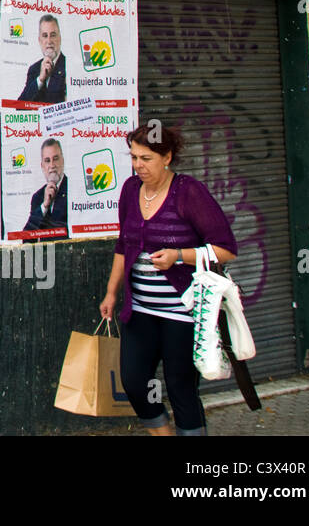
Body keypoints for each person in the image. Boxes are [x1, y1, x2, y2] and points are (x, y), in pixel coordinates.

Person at [100, 125, 238, 436]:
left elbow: (226, 249)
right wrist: (111, 292)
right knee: (135, 382)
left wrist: (179, 255)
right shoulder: (129, 190)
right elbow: (123, 244)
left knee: (181, 388)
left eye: (146, 158)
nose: (138, 165)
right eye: (134, 157)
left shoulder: (189, 191)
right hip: (142, 311)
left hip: (183, 313)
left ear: (167, 157)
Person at [18, 14, 67, 103]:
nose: (49, 41)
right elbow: (20, 106)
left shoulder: (68, 66)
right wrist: (40, 80)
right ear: (39, 40)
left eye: (53, 35)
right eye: (45, 36)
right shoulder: (34, 69)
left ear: (59, 38)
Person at [22, 138, 67, 232]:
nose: (52, 165)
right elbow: (27, 238)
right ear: (42, 166)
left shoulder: (73, 188)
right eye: (47, 160)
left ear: (62, 160)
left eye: (55, 159)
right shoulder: (37, 197)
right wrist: (45, 206)